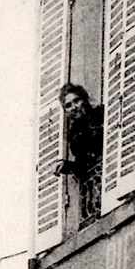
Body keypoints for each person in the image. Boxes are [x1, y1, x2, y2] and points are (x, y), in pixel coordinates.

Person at [53, 84, 104, 223]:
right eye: (68, 106)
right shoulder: (74, 135)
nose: (74, 107)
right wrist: (67, 166)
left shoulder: (101, 114)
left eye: (76, 101)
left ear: (84, 100)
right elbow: (82, 167)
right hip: (97, 188)